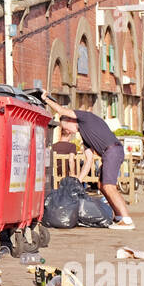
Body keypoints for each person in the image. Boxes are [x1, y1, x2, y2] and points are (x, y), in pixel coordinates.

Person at [41, 94, 135, 229]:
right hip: (109, 153)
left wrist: (46, 99)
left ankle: (127, 220)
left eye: (65, 127)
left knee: (109, 186)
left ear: (71, 119)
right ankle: (119, 216)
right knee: (102, 185)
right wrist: (78, 180)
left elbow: (61, 111)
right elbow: (88, 160)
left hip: (112, 151)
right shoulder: (84, 136)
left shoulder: (85, 117)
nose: (67, 131)